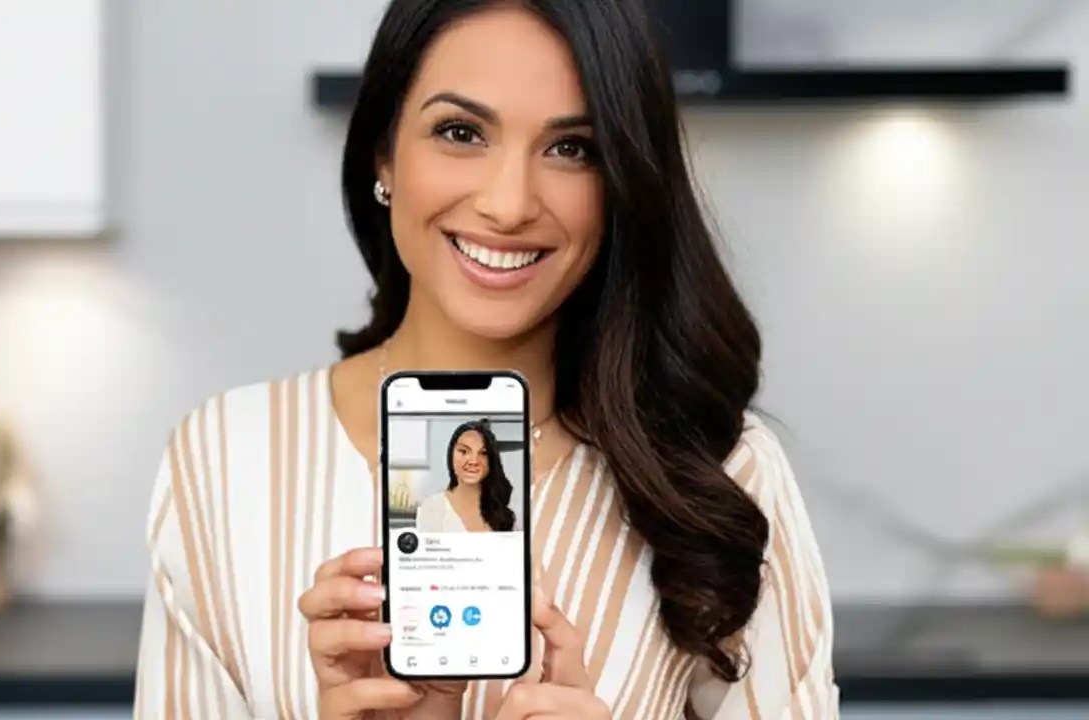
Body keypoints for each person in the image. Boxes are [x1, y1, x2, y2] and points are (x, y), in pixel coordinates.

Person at [133, 0, 838, 717]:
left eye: (572, 148)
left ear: (621, 181)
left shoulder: (721, 472)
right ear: (383, 153)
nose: (509, 205)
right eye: (460, 132)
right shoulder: (223, 459)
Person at [416, 420, 516, 533]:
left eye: (483, 453)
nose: (473, 461)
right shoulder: (432, 508)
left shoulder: (502, 509)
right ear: (451, 455)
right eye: (463, 451)